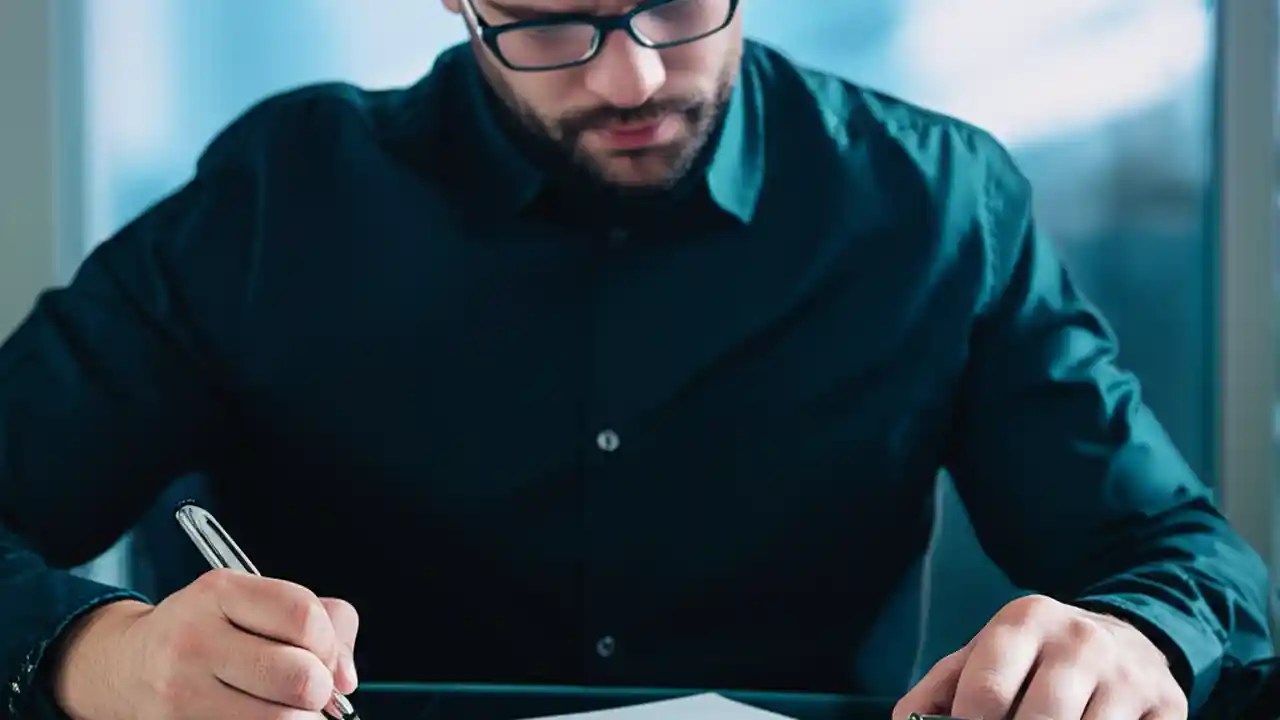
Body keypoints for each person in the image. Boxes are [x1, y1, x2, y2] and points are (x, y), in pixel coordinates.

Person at [0, 0, 1270, 718]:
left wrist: (1127, 637)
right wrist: (102, 657)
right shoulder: (278, 198)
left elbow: (1179, 554)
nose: (633, 73)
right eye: (550, 22)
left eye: (676, 0)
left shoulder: (933, 203)